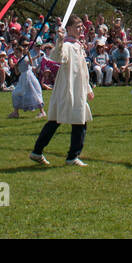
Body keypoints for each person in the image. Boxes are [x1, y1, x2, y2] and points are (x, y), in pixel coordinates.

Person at [30, 18, 93, 167]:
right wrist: (59, 40)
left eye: (81, 26)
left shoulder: (77, 46)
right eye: (78, 27)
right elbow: (57, 57)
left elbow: (83, 71)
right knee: (73, 121)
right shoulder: (67, 45)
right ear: (69, 28)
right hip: (67, 88)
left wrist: (88, 89)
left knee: (64, 121)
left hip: (78, 88)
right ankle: (71, 157)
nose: (81, 29)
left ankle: (37, 151)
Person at [8, 43, 46, 119]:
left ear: (21, 52)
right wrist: (16, 67)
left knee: (33, 93)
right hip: (22, 78)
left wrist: (28, 55)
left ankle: (42, 112)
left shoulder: (25, 58)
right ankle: (16, 112)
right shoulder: (19, 60)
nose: (16, 54)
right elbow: (17, 73)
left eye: (17, 52)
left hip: (28, 77)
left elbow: (31, 63)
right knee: (16, 93)